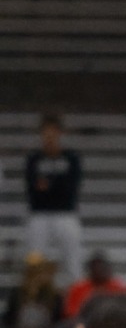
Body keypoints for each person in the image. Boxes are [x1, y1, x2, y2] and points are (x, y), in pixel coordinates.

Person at [24, 114, 84, 284]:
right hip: (39, 215)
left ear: (60, 134)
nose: (49, 138)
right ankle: (34, 300)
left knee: (72, 262)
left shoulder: (71, 158)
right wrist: (56, 185)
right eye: (46, 134)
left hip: (66, 214)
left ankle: (76, 300)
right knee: (35, 260)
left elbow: (71, 188)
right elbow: (32, 189)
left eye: (53, 133)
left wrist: (47, 185)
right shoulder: (34, 159)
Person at [4, 252, 64, 328]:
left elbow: (58, 318)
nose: (36, 274)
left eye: (39, 270)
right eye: (32, 270)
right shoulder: (17, 293)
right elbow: (10, 317)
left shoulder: (54, 295)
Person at [63, 253, 126, 319]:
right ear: (90, 270)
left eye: (102, 268)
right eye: (97, 269)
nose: (100, 271)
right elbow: (71, 313)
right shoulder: (77, 289)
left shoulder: (122, 289)